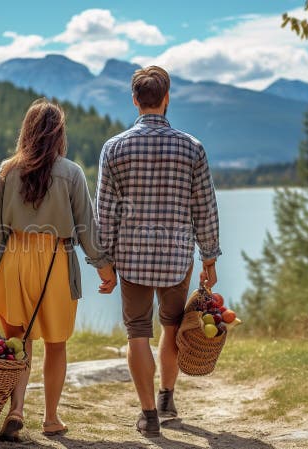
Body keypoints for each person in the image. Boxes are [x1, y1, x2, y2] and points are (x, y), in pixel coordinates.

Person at [0, 98, 117, 442]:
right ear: (59, 135)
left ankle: (16, 409)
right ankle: (50, 418)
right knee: (56, 343)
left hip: (16, 259)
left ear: (27, 132)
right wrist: (104, 269)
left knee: (18, 340)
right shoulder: (72, 173)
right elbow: (86, 229)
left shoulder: (6, 171)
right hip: (56, 261)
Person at [95, 66, 221, 438]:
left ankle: (148, 414)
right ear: (166, 99)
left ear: (135, 100)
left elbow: (105, 211)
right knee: (170, 327)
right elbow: (205, 207)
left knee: (137, 332)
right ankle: (167, 397)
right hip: (177, 257)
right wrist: (209, 257)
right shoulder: (192, 147)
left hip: (131, 257)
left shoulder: (114, 148)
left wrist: (105, 263)